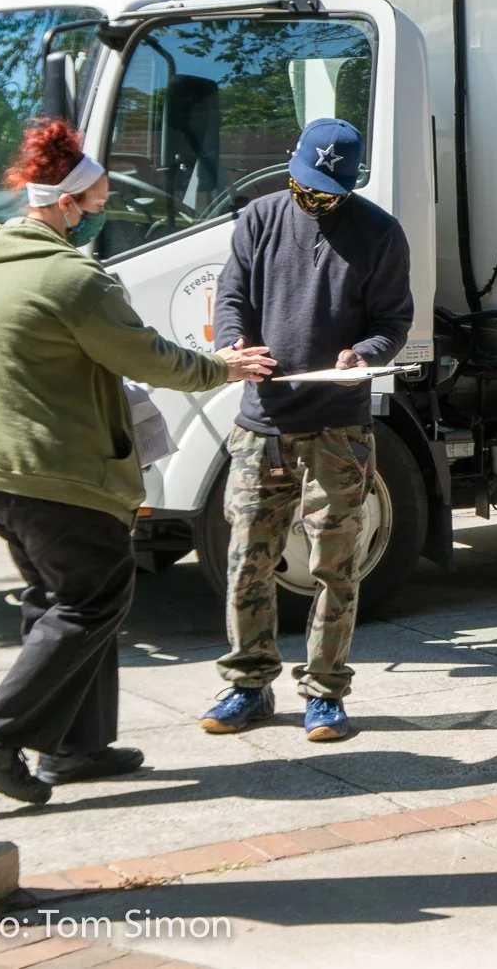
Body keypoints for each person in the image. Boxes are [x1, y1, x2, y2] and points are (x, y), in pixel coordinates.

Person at [0, 120, 276, 805]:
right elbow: (149, 357)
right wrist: (225, 366)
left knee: (54, 597)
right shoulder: (72, 280)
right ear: (63, 203)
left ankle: (76, 747)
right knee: (94, 597)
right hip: (50, 474)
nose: (97, 218)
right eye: (93, 206)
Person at [202, 118, 412, 743]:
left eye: (326, 192)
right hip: (261, 421)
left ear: (349, 185)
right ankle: (247, 684)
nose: (312, 199)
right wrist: (237, 341)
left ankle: (325, 691)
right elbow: (231, 294)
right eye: (304, 185)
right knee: (247, 560)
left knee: (336, 565)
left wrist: (363, 355)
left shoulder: (380, 233)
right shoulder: (260, 216)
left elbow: (392, 320)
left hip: (337, 430)